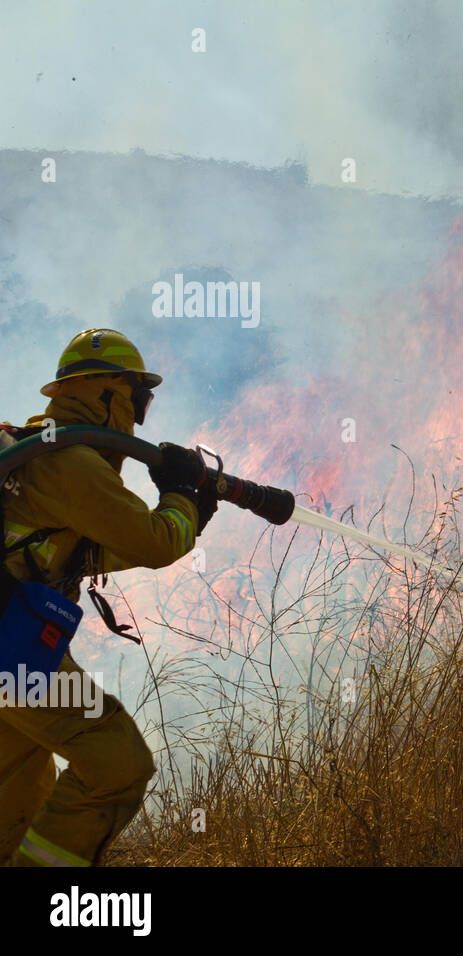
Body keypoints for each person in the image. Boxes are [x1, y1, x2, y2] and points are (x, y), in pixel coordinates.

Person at [0, 328, 216, 866]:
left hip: (12, 645)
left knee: (17, 802)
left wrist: (188, 515)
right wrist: (181, 499)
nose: (137, 418)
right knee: (117, 762)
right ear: (110, 394)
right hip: (10, 655)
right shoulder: (70, 462)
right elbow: (152, 541)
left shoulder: (38, 450)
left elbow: (85, 553)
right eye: (138, 402)